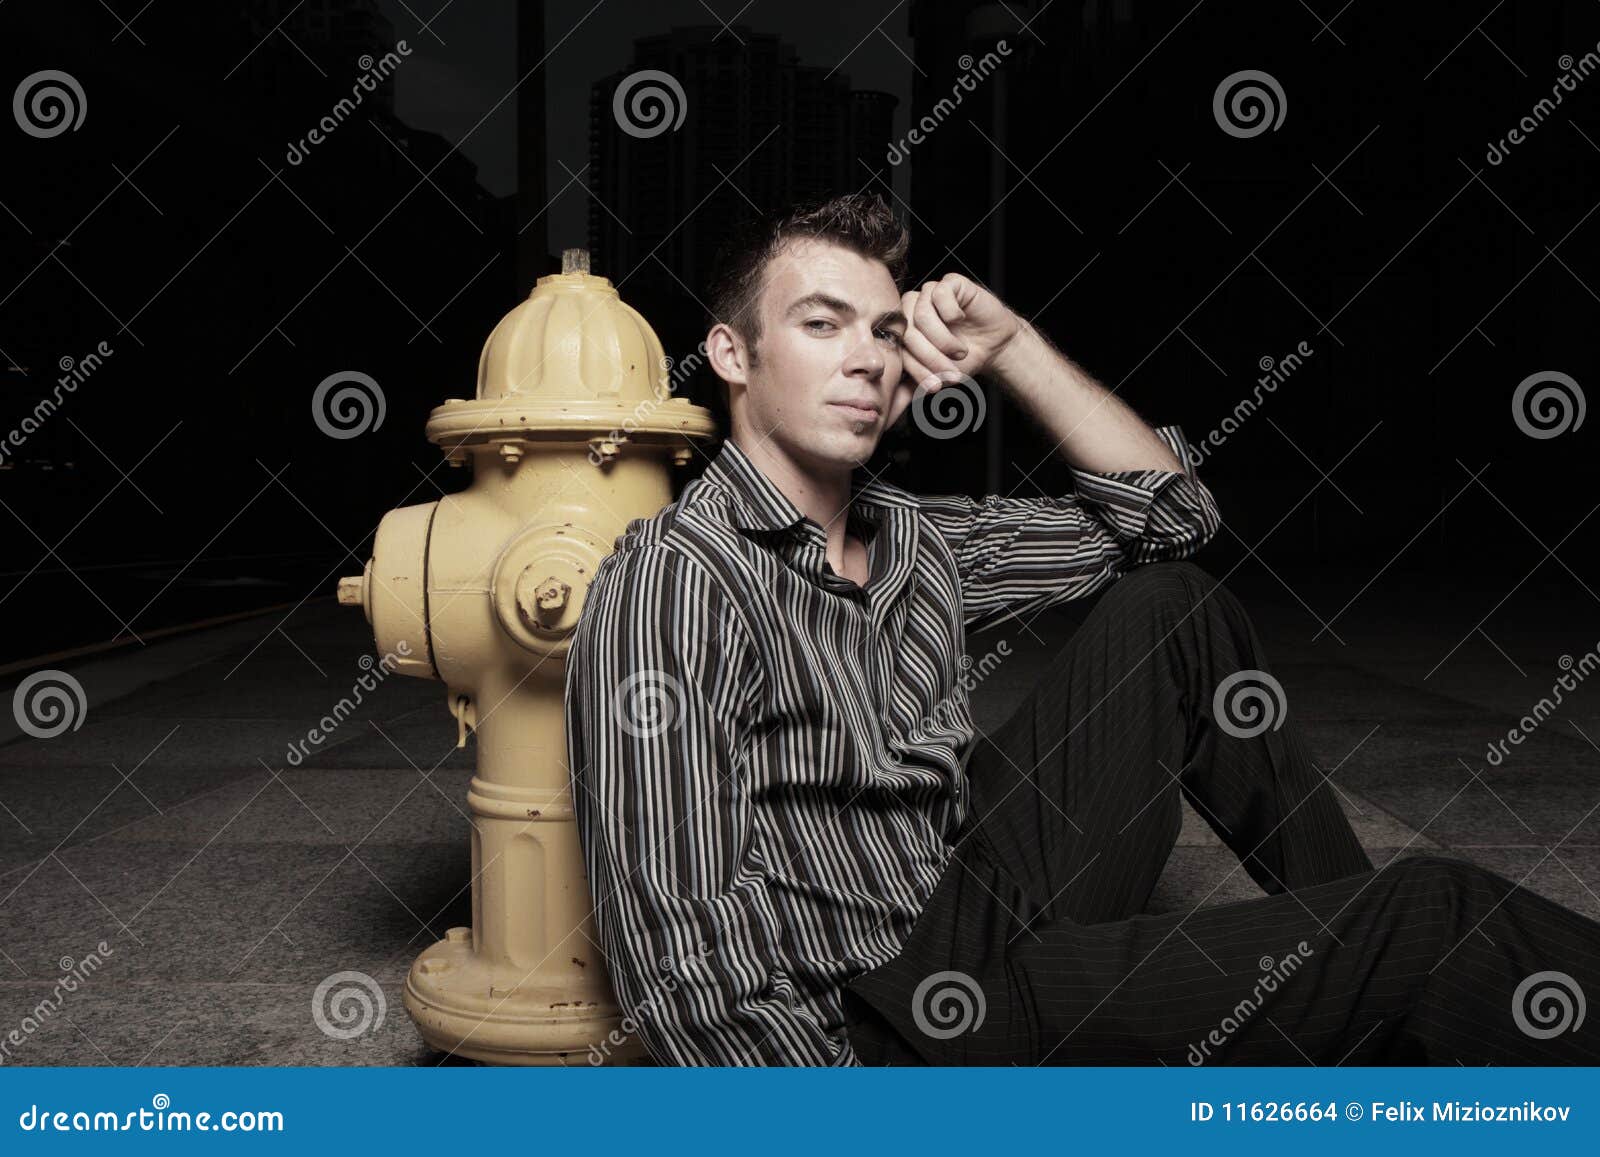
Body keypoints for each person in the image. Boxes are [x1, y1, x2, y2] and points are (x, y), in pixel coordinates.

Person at [562, 192, 1600, 1066]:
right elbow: (680, 958)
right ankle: (1387, 964)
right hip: (892, 1020)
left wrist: (1009, 343)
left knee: (1172, 608)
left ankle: (1355, 981)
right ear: (731, 353)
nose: (866, 362)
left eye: (884, 331)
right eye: (820, 325)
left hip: (974, 900)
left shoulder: (919, 539)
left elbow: (1172, 514)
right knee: (1437, 916)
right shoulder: (677, 582)